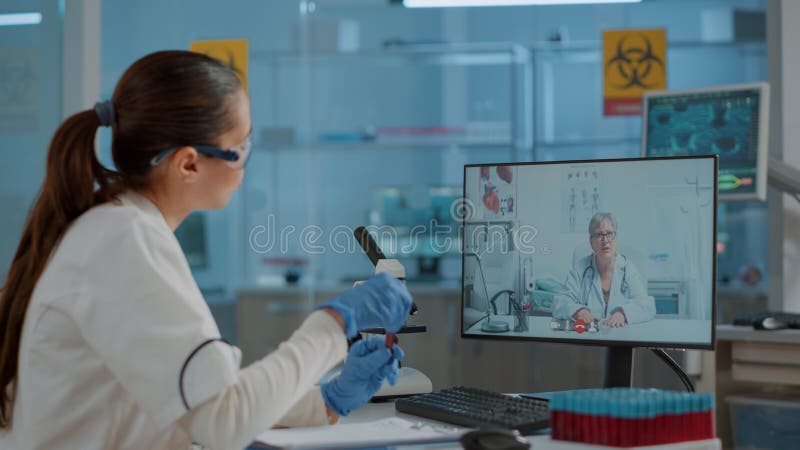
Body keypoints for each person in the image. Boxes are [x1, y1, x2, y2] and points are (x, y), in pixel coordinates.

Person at [0, 51, 412, 450]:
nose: (246, 165)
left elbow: (204, 401)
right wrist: (334, 324)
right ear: (189, 164)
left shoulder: (118, 225)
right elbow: (222, 421)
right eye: (241, 148)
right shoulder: (123, 239)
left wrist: (330, 399)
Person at [552, 213, 655, 328]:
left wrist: (623, 313)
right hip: (587, 336)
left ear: (615, 237)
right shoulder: (581, 269)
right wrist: (579, 311)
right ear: (591, 242)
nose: (605, 240)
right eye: (599, 235)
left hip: (621, 335)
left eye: (609, 233)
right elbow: (559, 303)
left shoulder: (627, 268)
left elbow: (647, 305)